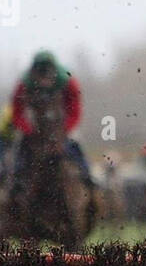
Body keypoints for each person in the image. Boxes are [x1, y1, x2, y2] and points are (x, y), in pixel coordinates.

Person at [6, 50, 92, 183]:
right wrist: (29, 131)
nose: (44, 80)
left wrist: (64, 130)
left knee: (75, 146)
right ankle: (14, 184)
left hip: (62, 124)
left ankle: (89, 179)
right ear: (34, 73)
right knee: (19, 152)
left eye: (47, 75)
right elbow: (16, 113)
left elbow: (75, 111)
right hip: (35, 125)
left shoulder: (69, 82)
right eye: (40, 75)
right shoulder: (23, 84)